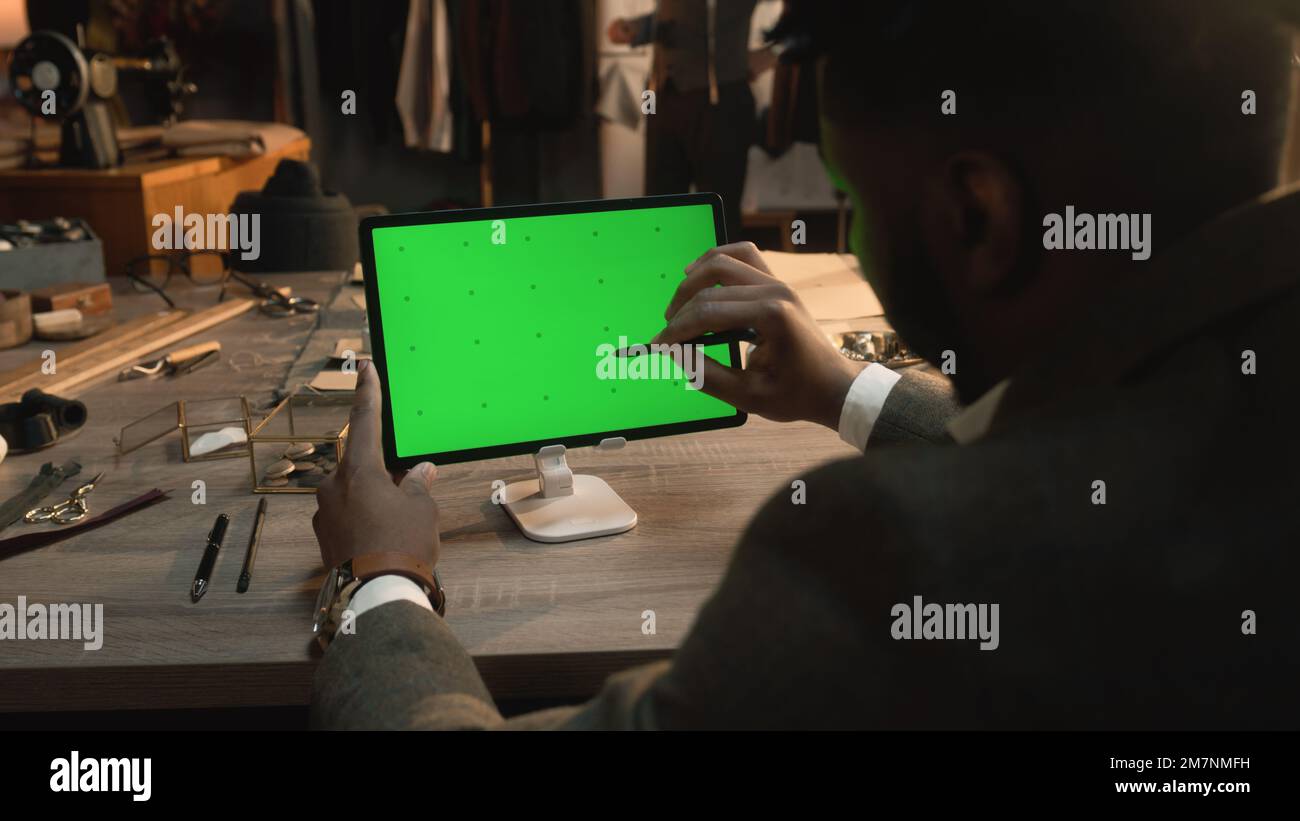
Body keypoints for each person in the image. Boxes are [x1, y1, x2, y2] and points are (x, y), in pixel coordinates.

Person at [311, 0, 1300, 729]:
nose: (857, 241)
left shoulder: (890, 551)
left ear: (976, 217)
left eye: (855, 199)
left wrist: (381, 574)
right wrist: (846, 388)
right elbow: (1085, 443)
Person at [607, 0, 777, 237]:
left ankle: (723, 273)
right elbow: (674, 19)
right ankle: (664, 272)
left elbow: (812, 20)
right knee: (659, 210)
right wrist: (635, 28)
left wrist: (773, 52)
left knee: (719, 214)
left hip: (721, 105)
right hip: (664, 97)